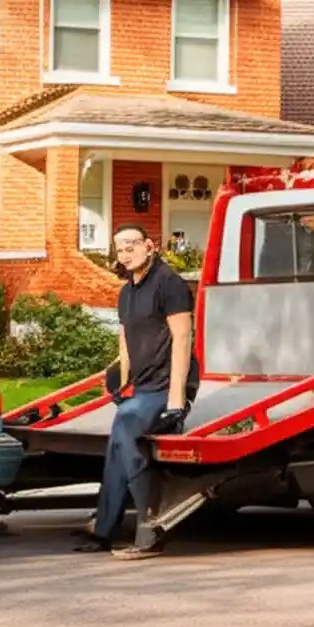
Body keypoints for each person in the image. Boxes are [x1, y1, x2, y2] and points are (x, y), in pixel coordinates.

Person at [75, 224, 195, 560]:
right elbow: (126, 339)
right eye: (120, 248)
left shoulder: (169, 284)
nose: (125, 253)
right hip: (141, 387)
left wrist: (176, 400)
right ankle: (104, 531)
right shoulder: (127, 291)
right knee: (116, 447)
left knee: (126, 426)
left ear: (149, 245)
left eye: (131, 246)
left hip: (164, 387)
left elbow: (183, 339)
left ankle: (153, 527)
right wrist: (121, 379)